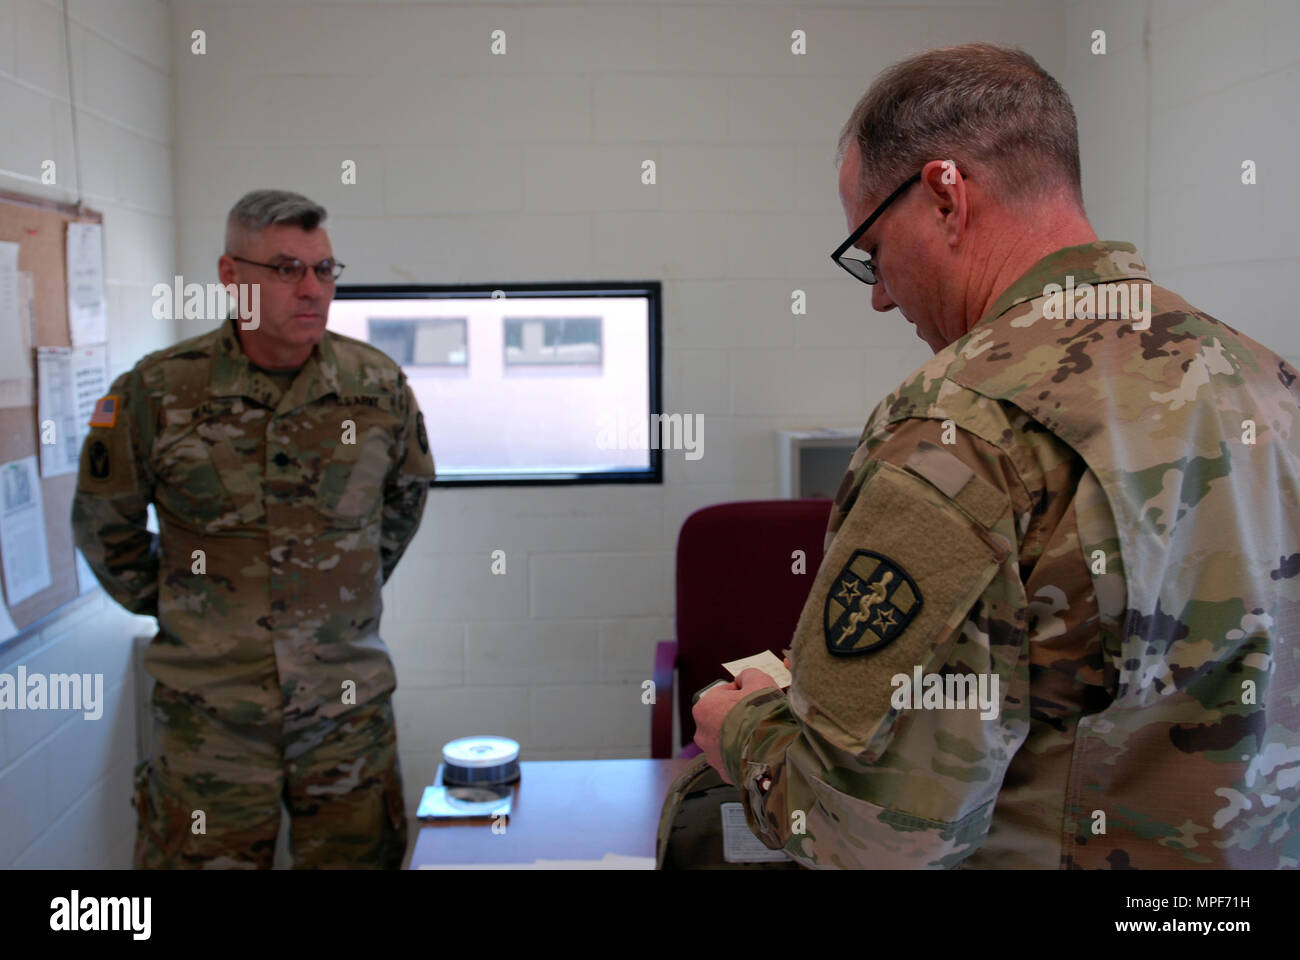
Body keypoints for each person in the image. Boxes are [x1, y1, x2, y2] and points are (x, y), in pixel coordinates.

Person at [686, 43, 1300, 869]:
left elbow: (869, 835)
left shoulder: (960, 423)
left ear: (945, 195)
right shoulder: (1270, 381)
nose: (878, 293)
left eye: (870, 250)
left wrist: (745, 729)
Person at [72, 189, 437, 868]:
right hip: (208, 724)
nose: (311, 289)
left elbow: (403, 505)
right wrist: (196, 609)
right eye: (286, 268)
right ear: (232, 276)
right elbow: (105, 531)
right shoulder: (157, 393)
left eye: (324, 270)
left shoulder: (376, 386)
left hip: (344, 716)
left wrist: (334, 594)